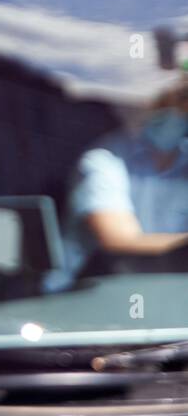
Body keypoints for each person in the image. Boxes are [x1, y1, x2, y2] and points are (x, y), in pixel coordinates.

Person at [64, 80, 188, 282]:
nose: (174, 114)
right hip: (87, 293)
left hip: (165, 294)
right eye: (164, 105)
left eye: (181, 106)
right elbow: (118, 240)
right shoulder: (102, 159)